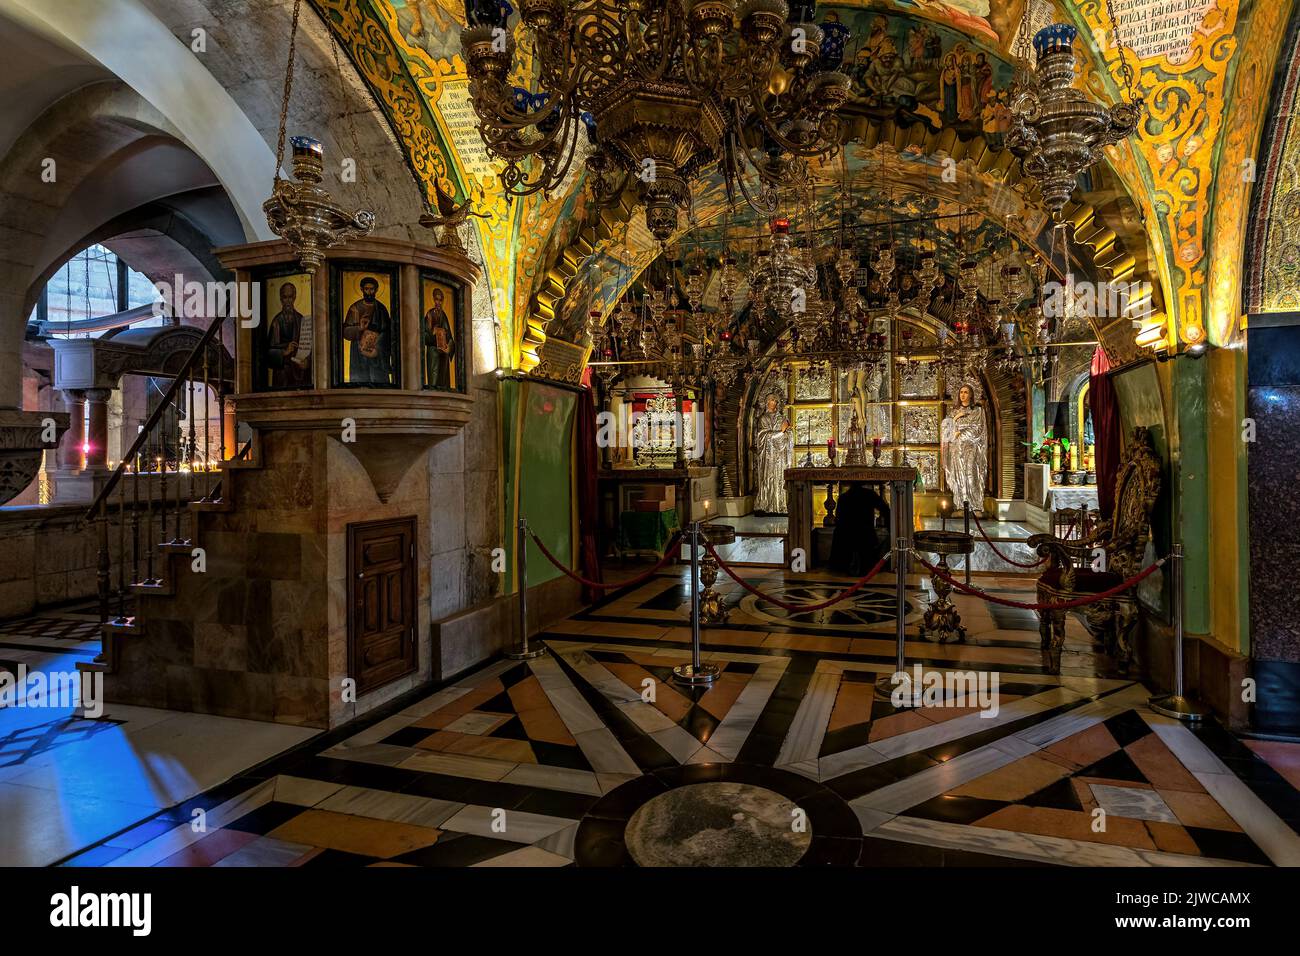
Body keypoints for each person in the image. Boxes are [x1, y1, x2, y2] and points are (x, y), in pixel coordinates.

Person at [941, 380, 989, 516]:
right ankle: (960, 506)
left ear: (971, 395)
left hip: (971, 448)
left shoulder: (978, 411)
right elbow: (946, 431)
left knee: (972, 474)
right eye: (961, 392)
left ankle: (975, 506)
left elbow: (979, 430)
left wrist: (960, 434)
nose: (963, 395)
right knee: (958, 476)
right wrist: (956, 418)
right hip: (956, 449)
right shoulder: (953, 412)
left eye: (966, 392)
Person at [341, 276, 392, 385]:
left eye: (371, 289)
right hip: (358, 352)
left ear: (376, 290)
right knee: (360, 382)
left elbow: (387, 332)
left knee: (377, 382)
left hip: (376, 354)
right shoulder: (355, 308)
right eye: (366, 289)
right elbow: (345, 331)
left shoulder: (381, 309)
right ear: (361, 289)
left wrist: (377, 348)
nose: (369, 292)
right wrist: (359, 328)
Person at [753, 393, 793, 514]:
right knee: (768, 478)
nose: (774, 402)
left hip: (780, 456)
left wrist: (786, 432)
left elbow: (788, 434)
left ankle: (780, 505)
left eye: (775, 401)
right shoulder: (763, 419)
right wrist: (781, 432)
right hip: (768, 456)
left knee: (780, 479)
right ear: (766, 402)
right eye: (771, 400)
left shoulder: (782, 418)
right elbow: (762, 436)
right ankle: (766, 505)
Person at [265, 281, 310, 388]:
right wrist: (284, 352)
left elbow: (309, 346)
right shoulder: (276, 322)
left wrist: (307, 361)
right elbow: (268, 352)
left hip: (299, 373)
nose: (288, 301)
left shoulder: (301, 319)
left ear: (294, 297)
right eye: (285, 297)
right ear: (281, 299)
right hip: (282, 374)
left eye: (290, 297)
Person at [421, 287, 456, 389]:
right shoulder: (429, 315)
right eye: (437, 299)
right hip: (433, 353)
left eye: (441, 300)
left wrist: (449, 347)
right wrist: (433, 332)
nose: (438, 302)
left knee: (443, 380)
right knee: (434, 379)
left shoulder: (443, 315)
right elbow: (423, 335)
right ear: (433, 299)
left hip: (443, 354)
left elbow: (449, 336)